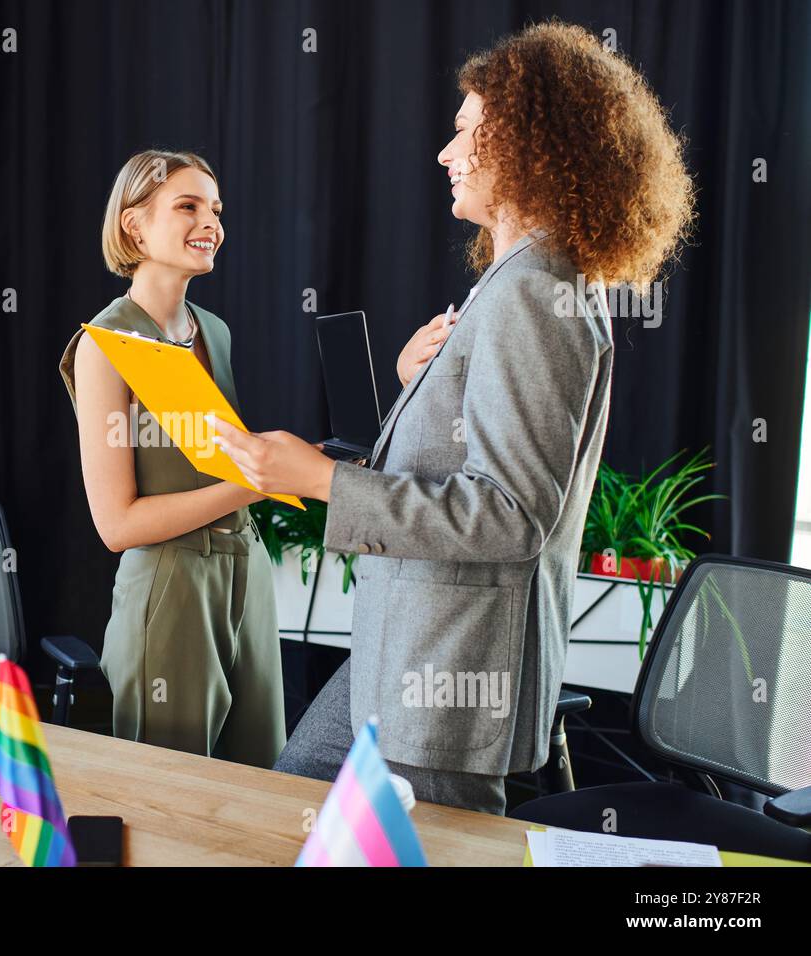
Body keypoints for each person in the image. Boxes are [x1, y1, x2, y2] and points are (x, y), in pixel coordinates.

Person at [209, 22, 694, 812]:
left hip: (449, 676)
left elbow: (508, 515)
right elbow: (462, 461)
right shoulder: (514, 286)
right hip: (403, 651)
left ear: (530, 147)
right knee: (295, 796)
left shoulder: (533, 296)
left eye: (468, 130)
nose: (445, 151)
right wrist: (413, 387)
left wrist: (323, 478)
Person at [58, 149, 285, 768]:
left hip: (247, 575)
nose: (209, 221)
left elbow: (215, 462)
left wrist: (261, 471)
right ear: (133, 224)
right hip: (171, 586)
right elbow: (117, 525)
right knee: (172, 802)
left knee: (260, 789)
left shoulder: (214, 330)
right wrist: (257, 480)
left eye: (215, 209)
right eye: (187, 206)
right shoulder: (106, 346)